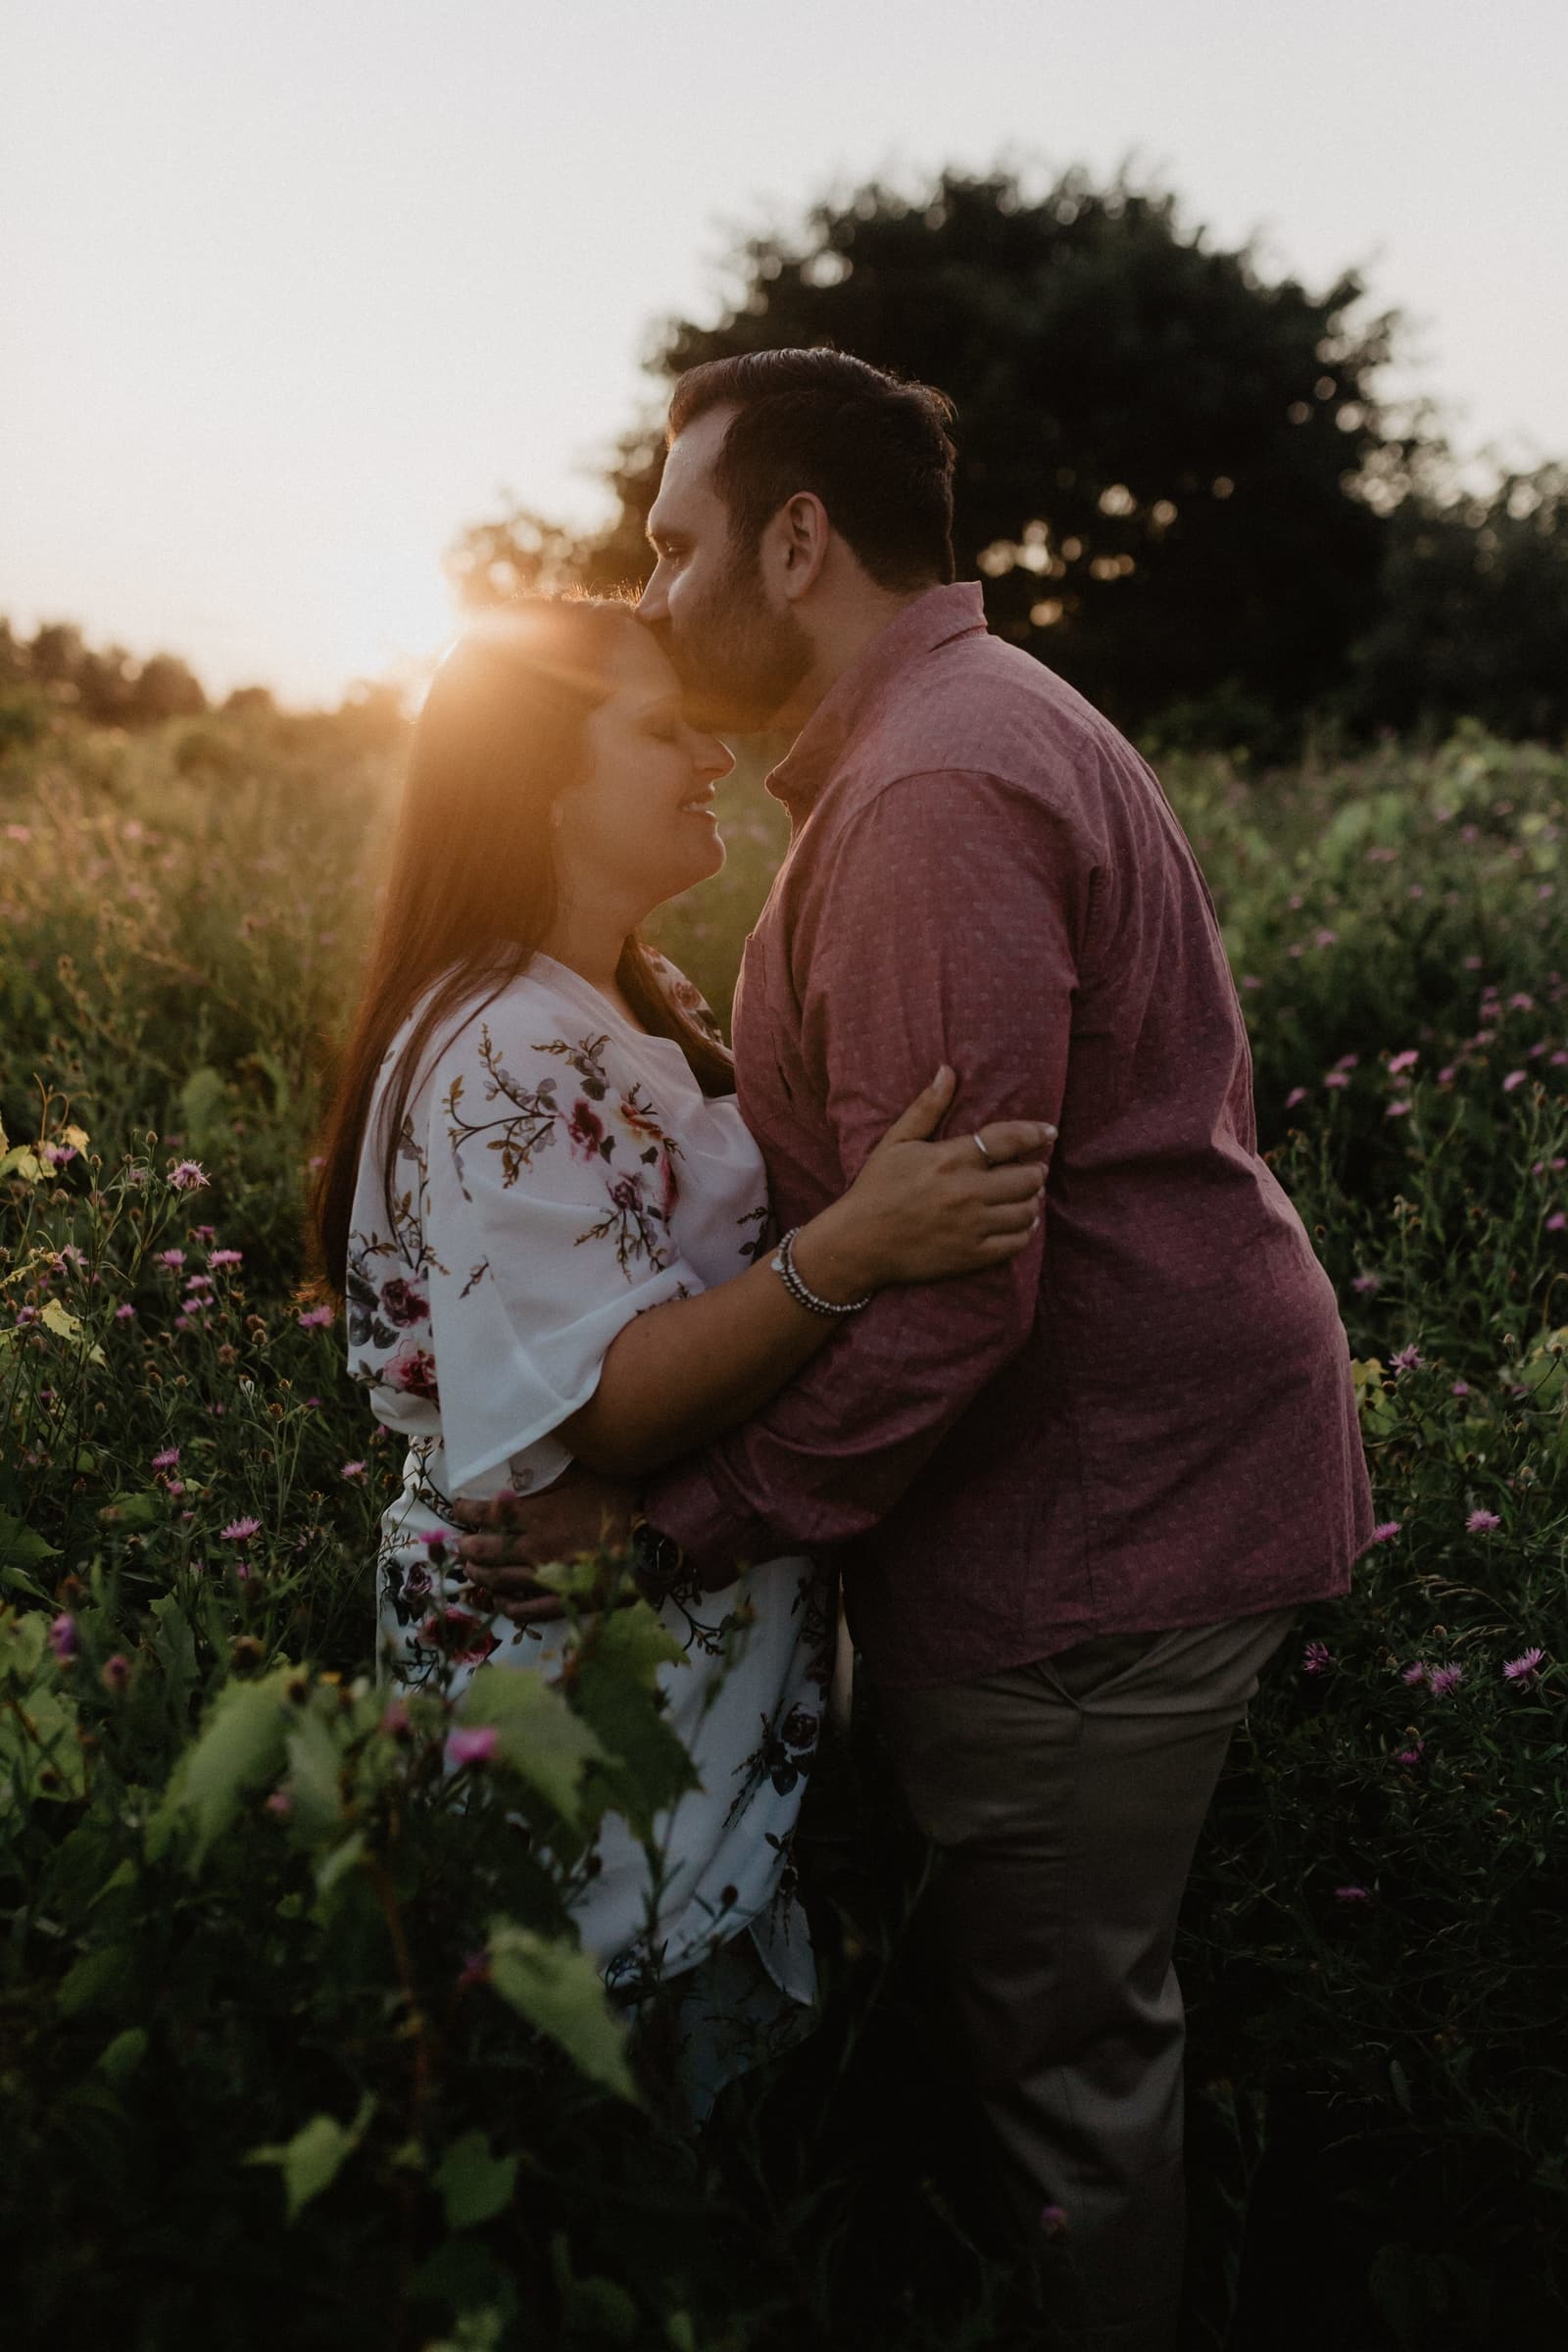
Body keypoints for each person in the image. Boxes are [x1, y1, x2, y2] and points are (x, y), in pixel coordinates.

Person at [456, 350, 1376, 2348]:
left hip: (1091, 1540)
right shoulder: (946, 739)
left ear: (797, 541)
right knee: (1025, 2036)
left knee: (1063, 2076)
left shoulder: (933, 789)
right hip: (1084, 1508)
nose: (652, 583)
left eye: (676, 540)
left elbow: (958, 1283)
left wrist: (680, 1521)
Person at [308, 595, 1052, 2113]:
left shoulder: (618, 995)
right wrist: (853, 1249)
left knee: (713, 2118)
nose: (715, 758)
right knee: (602, 2110)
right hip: (578, 1685)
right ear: (541, 782)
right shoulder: (502, 1048)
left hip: (676, 1670)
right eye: (661, 732)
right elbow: (616, 1402)